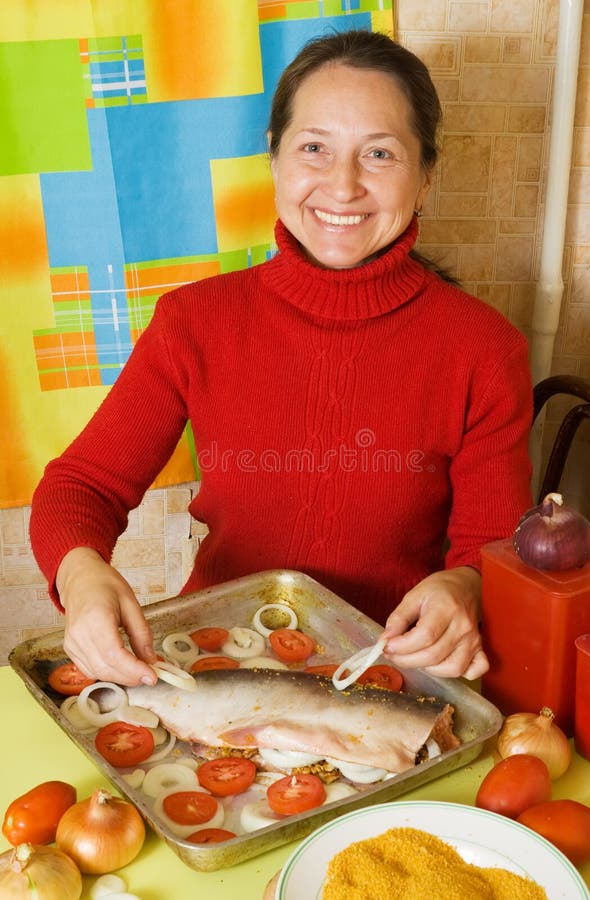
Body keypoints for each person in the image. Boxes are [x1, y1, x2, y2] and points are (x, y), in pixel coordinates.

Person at [29, 29, 533, 688]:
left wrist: (464, 586)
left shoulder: (484, 349)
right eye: (314, 148)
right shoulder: (193, 323)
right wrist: (82, 573)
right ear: (274, 158)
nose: (342, 185)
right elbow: (80, 488)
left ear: (425, 178)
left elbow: (491, 551)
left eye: (378, 154)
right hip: (213, 660)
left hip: (387, 670)